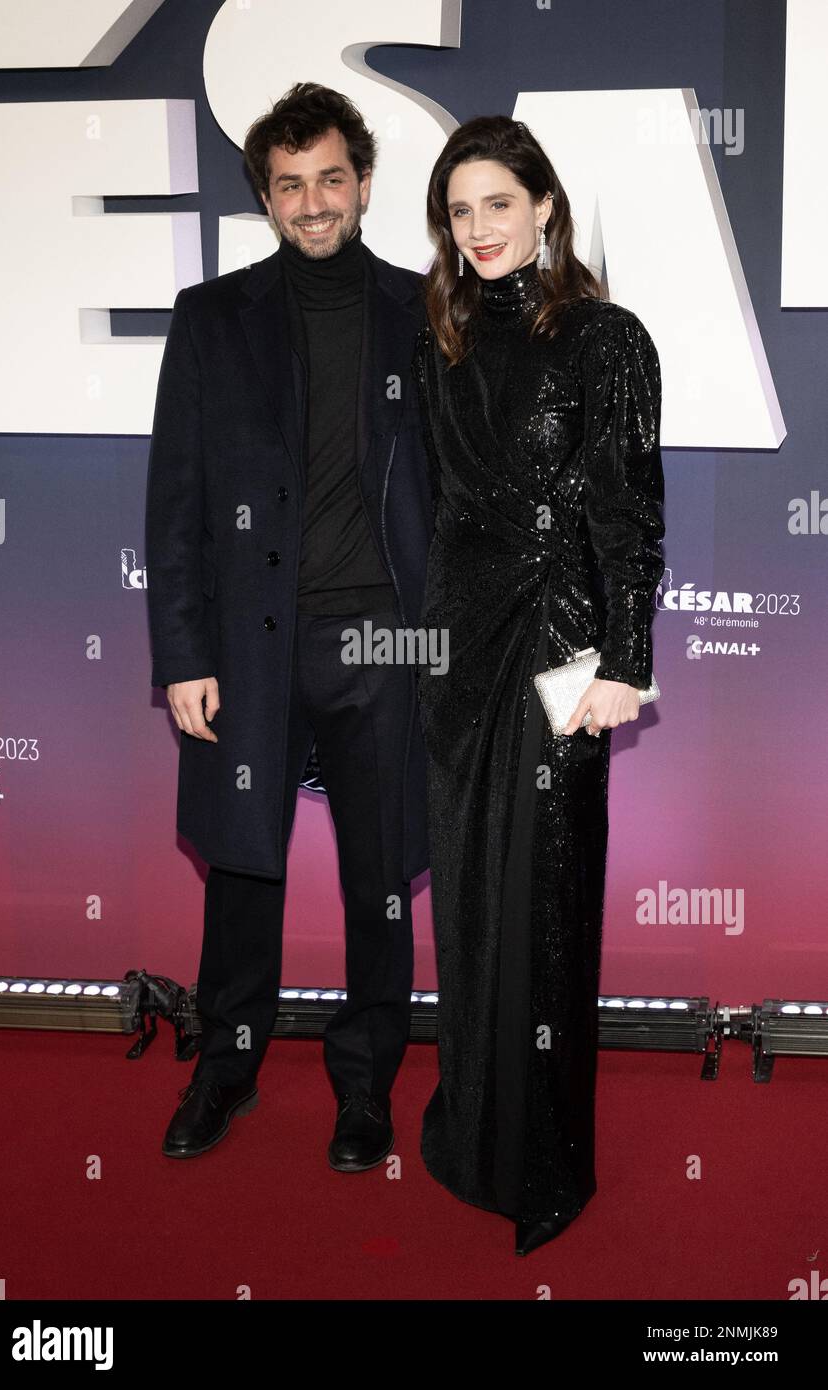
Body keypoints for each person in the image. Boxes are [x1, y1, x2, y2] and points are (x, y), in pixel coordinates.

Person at [144, 83, 434, 1168]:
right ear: (264, 197)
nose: (311, 202)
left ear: (360, 182)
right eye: (287, 184)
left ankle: (365, 1091)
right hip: (250, 653)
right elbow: (173, 501)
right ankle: (225, 1069)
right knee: (243, 873)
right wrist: (182, 654)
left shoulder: (424, 308)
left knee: (378, 880)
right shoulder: (212, 317)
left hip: (383, 647)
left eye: (328, 178)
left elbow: (452, 497)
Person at [412, 116, 665, 1255]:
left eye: (498, 205)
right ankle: (473, 1129)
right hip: (463, 650)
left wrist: (626, 663)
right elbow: (438, 519)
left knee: (545, 899)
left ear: (545, 207)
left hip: (563, 646)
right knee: (468, 895)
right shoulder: (445, 344)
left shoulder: (607, 340)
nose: (480, 231)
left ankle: (543, 1158)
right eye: (459, 212)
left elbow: (627, 513)